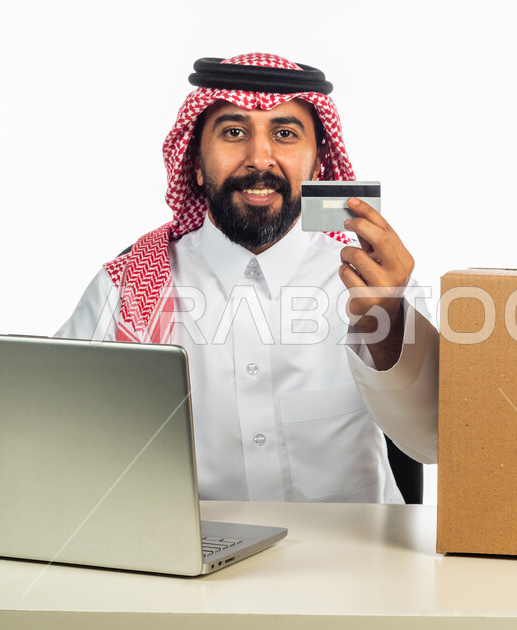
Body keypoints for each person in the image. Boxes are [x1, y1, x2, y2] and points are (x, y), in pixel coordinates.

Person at [56, 53, 437, 503]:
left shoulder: (373, 280)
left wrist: (387, 319)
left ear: (318, 166)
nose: (259, 159)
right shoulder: (125, 289)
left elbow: (432, 441)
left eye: (284, 134)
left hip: (354, 547)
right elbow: (48, 435)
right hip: (190, 547)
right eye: (234, 132)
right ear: (196, 164)